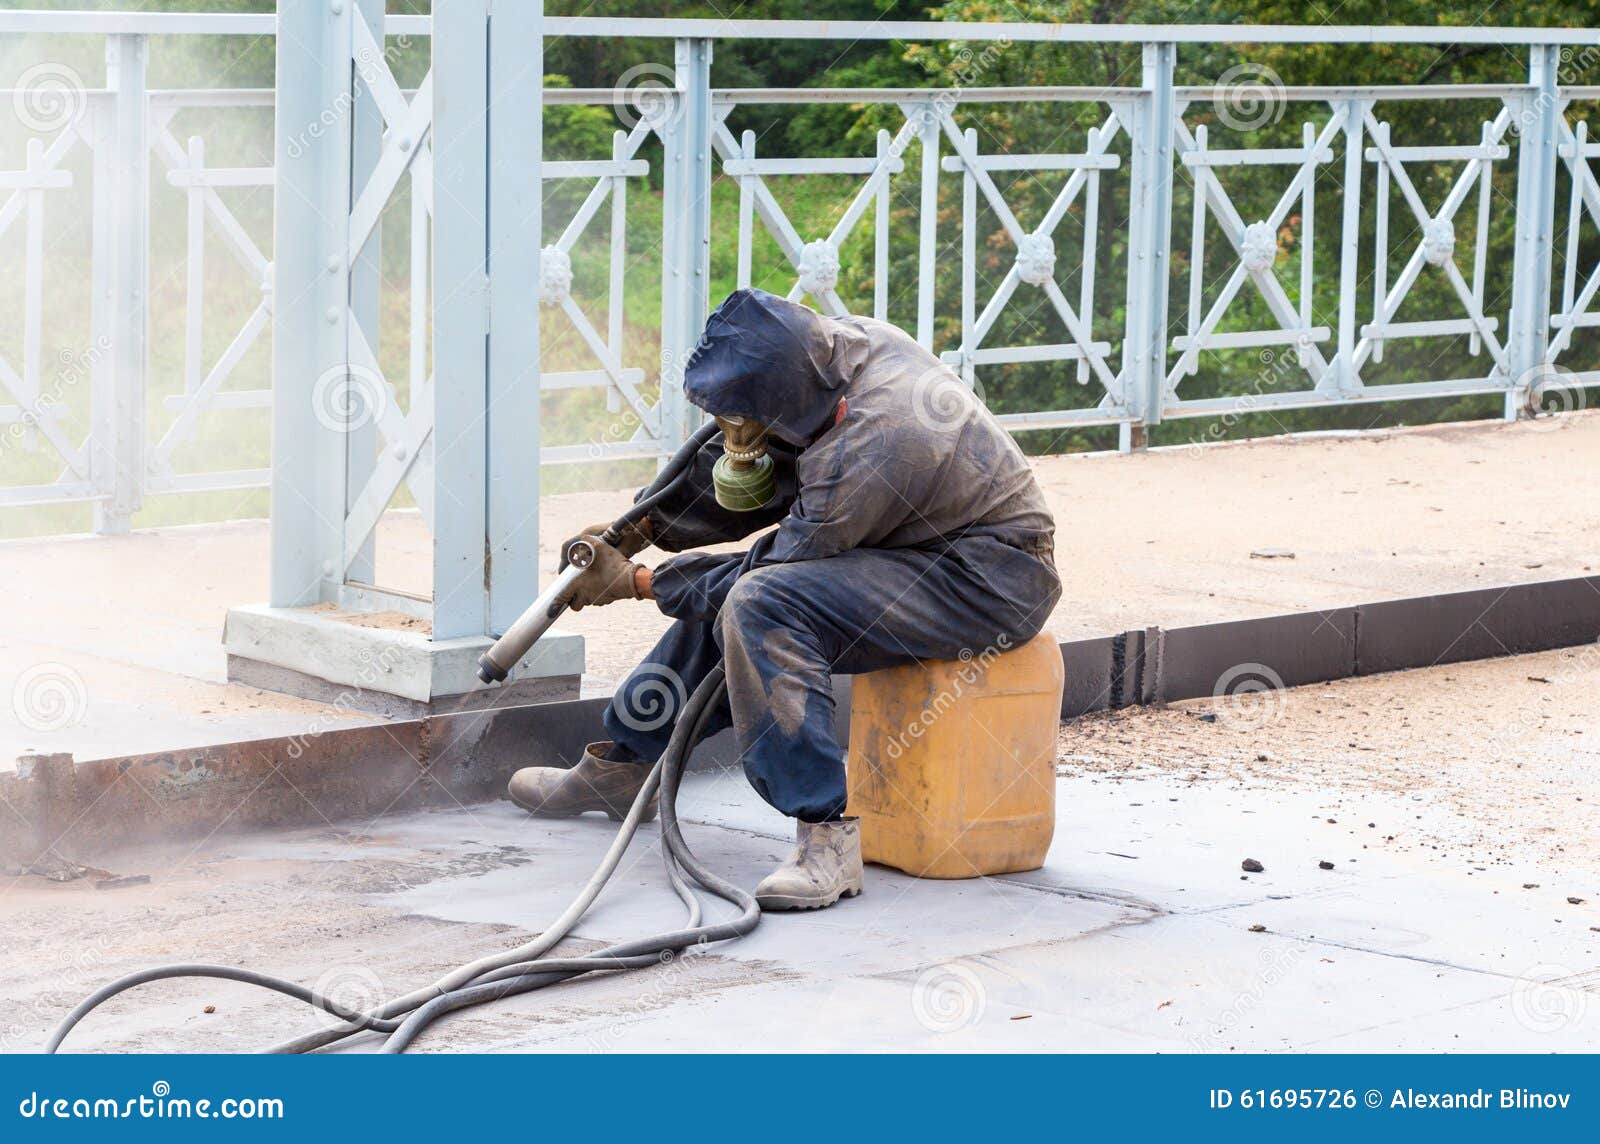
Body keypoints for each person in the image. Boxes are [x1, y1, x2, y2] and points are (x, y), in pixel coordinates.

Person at [507, 288, 1061, 911]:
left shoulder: (878, 438)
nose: (734, 431)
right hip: (910, 541)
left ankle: (828, 839)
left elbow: (773, 567)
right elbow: (751, 459)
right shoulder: (829, 354)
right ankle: (624, 765)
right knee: (741, 600)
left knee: (761, 603)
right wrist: (642, 525)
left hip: (988, 579)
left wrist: (641, 582)